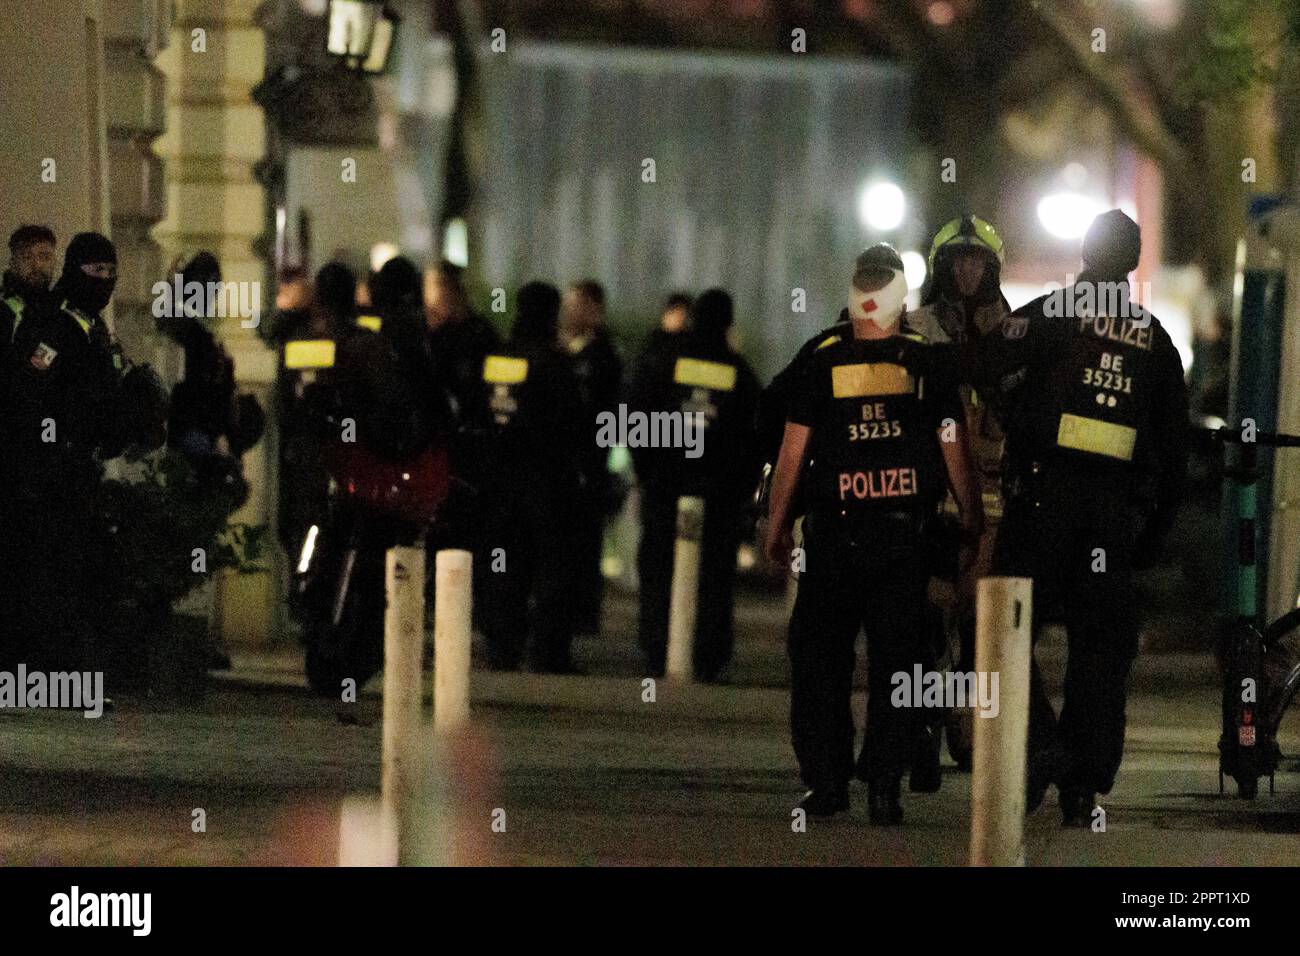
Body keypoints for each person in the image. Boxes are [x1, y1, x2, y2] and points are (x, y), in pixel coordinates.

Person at [764, 244, 982, 822]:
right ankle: (882, 783)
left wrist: (777, 521)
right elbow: (951, 442)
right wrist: (971, 518)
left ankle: (829, 782)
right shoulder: (925, 362)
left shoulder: (822, 356)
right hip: (900, 539)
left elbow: (793, 450)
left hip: (836, 539)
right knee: (896, 665)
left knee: (819, 660)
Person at [984, 209, 1189, 825]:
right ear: (1132, 261)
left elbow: (988, 366)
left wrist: (1018, 415)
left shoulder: (1047, 314)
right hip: (1110, 520)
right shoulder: (1154, 340)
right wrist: (1148, 538)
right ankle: (1081, 777)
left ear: (1084, 252)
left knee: (1003, 633)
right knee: (1101, 650)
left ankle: (1040, 746)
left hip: (1042, 504)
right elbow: (1174, 453)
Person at [0, 232, 134, 671]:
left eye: (111, 273)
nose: (105, 281)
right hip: (46, 478)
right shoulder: (52, 325)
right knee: (45, 575)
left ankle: (67, 669)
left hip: (79, 474)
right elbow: (31, 396)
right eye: (96, 271)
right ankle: (42, 672)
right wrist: (52, 452)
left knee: (81, 573)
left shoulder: (93, 328)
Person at [908, 215, 1010, 777]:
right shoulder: (917, 327)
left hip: (993, 499)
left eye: (978, 261)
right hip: (928, 493)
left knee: (981, 623)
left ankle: (970, 727)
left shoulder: (1016, 331)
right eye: (958, 261)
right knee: (925, 619)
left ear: (993, 268)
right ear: (940, 267)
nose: (967, 270)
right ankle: (922, 728)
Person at [628, 288, 760, 681]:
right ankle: (707, 653)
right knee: (714, 576)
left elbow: (637, 418)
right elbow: (754, 438)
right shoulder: (740, 373)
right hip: (718, 495)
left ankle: (656, 645)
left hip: (666, 486)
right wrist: (741, 490)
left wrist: (646, 472)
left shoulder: (663, 363)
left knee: (659, 568)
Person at [476, 282, 586, 672]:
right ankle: (548, 652)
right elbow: (574, 425)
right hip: (546, 483)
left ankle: (503, 646)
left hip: (499, 482)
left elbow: (478, 415)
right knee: (551, 569)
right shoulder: (556, 363)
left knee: (504, 566)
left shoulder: (497, 358)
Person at [562, 280, 623, 633]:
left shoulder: (602, 355)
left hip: (589, 462)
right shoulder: (566, 349)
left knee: (586, 541)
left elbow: (606, 412)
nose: (570, 313)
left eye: (577, 305)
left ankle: (584, 615)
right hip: (567, 463)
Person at [1, 225, 57, 354]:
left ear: (54, 261)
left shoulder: (62, 309)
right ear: (13, 264)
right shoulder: (5, 311)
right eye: (27, 257)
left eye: (44, 257)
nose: (37, 265)